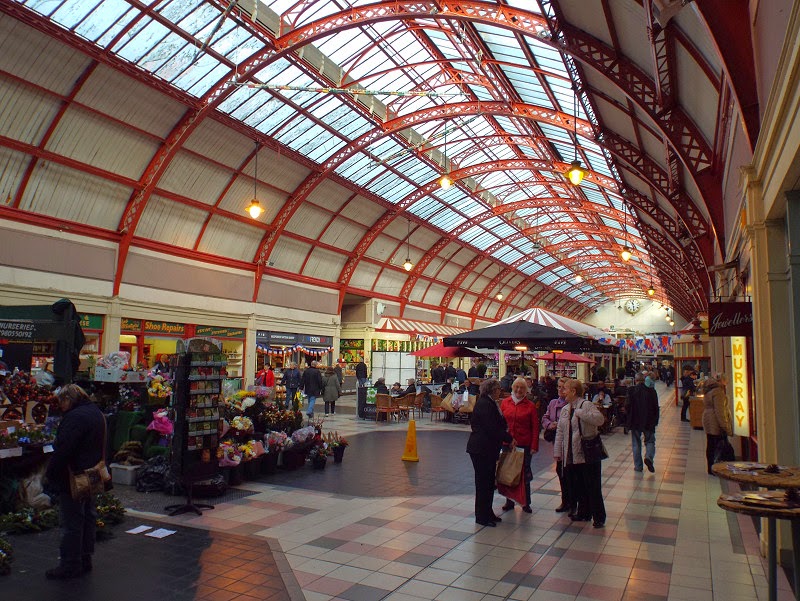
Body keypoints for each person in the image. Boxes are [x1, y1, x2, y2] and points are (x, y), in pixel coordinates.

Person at [44, 384, 106, 579]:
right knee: (87, 515)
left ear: (68, 400)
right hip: (93, 472)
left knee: (72, 520)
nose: (60, 406)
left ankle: (70, 564)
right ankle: (85, 557)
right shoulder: (95, 412)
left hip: (75, 475)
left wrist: (51, 473)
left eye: (61, 402)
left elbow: (64, 449)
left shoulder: (75, 418)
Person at [554, 379, 606, 528]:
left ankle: (599, 516)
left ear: (573, 391)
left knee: (593, 486)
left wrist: (581, 413)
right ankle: (584, 512)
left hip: (588, 453)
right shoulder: (565, 409)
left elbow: (599, 419)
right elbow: (560, 432)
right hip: (572, 454)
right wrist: (558, 452)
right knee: (580, 485)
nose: (563, 392)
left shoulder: (586, 405)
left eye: (565, 389)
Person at [466, 379, 513, 527]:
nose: (500, 391)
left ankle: (488, 512)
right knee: (483, 483)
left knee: (487, 483)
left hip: (487, 449)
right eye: (498, 388)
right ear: (492, 390)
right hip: (482, 449)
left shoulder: (489, 402)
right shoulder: (485, 404)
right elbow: (492, 427)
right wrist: (508, 438)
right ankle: (482, 516)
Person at [500, 377, 539, 513]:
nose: (518, 390)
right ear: (512, 388)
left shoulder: (530, 406)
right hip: (507, 444)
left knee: (524, 474)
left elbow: (535, 427)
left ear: (526, 390)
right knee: (508, 472)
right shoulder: (505, 403)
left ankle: (525, 502)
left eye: (522, 388)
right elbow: (500, 424)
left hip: (524, 444)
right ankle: (509, 501)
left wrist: (534, 445)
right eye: (516, 387)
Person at [542, 377, 570, 512]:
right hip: (557, 444)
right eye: (558, 387)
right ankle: (565, 501)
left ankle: (572, 501)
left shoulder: (572, 404)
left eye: (563, 387)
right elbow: (545, 417)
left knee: (570, 473)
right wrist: (550, 424)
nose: (560, 390)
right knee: (560, 472)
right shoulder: (553, 403)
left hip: (570, 444)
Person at [626, 372, 660, 473]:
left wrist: (627, 419)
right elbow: (656, 407)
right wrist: (656, 420)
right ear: (644, 380)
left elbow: (627, 405)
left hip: (635, 421)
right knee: (650, 441)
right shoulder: (651, 391)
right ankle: (649, 457)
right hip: (649, 421)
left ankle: (638, 466)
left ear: (635, 380)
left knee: (636, 443)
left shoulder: (631, 391)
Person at [702, 375, 732, 475]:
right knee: (716, 445)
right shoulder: (718, 391)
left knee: (710, 444)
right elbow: (720, 411)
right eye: (726, 381)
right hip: (714, 421)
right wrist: (726, 426)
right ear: (722, 381)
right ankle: (715, 467)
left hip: (708, 418)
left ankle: (710, 467)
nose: (727, 383)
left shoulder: (709, 389)